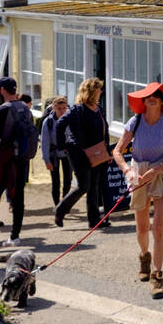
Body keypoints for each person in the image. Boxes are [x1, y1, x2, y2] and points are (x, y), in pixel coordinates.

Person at [113, 83, 163, 298]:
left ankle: (157, 276)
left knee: (158, 228)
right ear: (143, 101)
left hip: (161, 173)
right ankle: (144, 257)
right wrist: (127, 171)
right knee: (142, 228)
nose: (152, 98)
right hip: (139, 173)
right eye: (148, 96)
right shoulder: (134, 122)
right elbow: (117, 151)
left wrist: (159, 168)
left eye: (156, 96)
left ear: (162, 101)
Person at [0, 77, 34, 246]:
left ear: (2, 90)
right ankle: (15, 235)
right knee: (18, 196)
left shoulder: (3, 110)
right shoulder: (24, 107)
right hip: (22, 158)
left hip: (5, 159)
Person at [54, 78, 111, 229]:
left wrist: (107, 150)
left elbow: (105, 128)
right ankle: (60, 210)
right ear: (92, 91)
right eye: (99, 89)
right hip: (79, 153)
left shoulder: (98, 108)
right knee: (83, 186)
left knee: (94, 186)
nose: (101, 92)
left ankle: (94, 221)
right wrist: (63, 145)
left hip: (97, 152)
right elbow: (59, 125)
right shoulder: (77, 109)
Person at [40, 96, 74, 209]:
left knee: (68, 180)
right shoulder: (48, 122)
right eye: (59, 108)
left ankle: (64, 202)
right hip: (53, 153)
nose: (62, 111)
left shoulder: (70, 119)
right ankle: (57, 205)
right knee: (56, 181)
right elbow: (45, 142)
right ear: (54, 108)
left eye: (64, 108)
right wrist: (46, 160)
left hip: (67, 153)